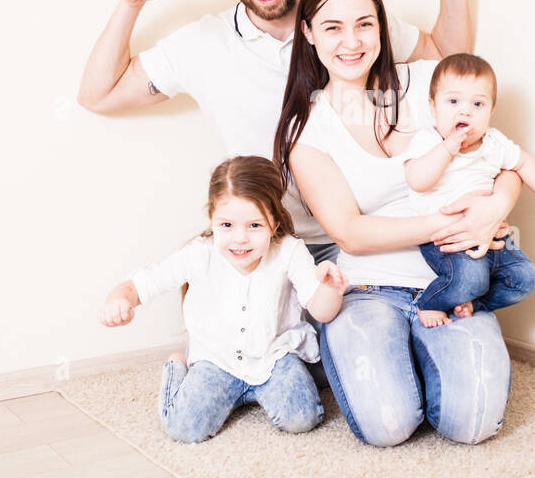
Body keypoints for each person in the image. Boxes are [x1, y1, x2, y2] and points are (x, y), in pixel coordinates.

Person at [76, 0, 501, 270]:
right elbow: (98, 93)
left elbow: (448, 63)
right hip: (278, 244)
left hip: (371, 231)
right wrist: (130, 4)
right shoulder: (204, 44)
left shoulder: (345, 20)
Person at [274, 0, 520, 448]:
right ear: (307, 33)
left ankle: (425, 352)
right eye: (332, 27)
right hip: (366, 285)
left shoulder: (427, 82)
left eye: (365, 24)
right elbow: (350, 232)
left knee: (473, 425)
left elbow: (504, 159)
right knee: (389, 426)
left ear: (381, 27)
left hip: (450, 284)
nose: (352, 41)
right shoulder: (307, 131)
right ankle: (385, 353)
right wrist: (449, 222)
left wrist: (494, 209)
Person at [99, 156, 350, 443]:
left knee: (302, 418)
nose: (240, 239)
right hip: (216, 360)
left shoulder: (289, 251)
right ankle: (176, 367)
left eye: (254, 226)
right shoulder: (199, 253)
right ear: (212, 220)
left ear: (274, 222)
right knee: (183, 428)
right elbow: (140, 284)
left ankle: (260, 391)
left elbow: (322, 310)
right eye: (227, 225)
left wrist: (331, 288)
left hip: (274, 357)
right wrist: (120, 299)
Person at [404, 53, 535, 327]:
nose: (464, 111)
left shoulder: (493, 143)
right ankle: (429, 303)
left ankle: (471, 303)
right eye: (453, 101)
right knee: (471, 278)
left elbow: (523, 162)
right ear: (433, 107)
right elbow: (417, 180)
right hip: (446, 239)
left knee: (525, 278)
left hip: (490, 234)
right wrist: (447, 148)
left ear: (491, 111)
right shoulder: (427, 140)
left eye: (477, 104)